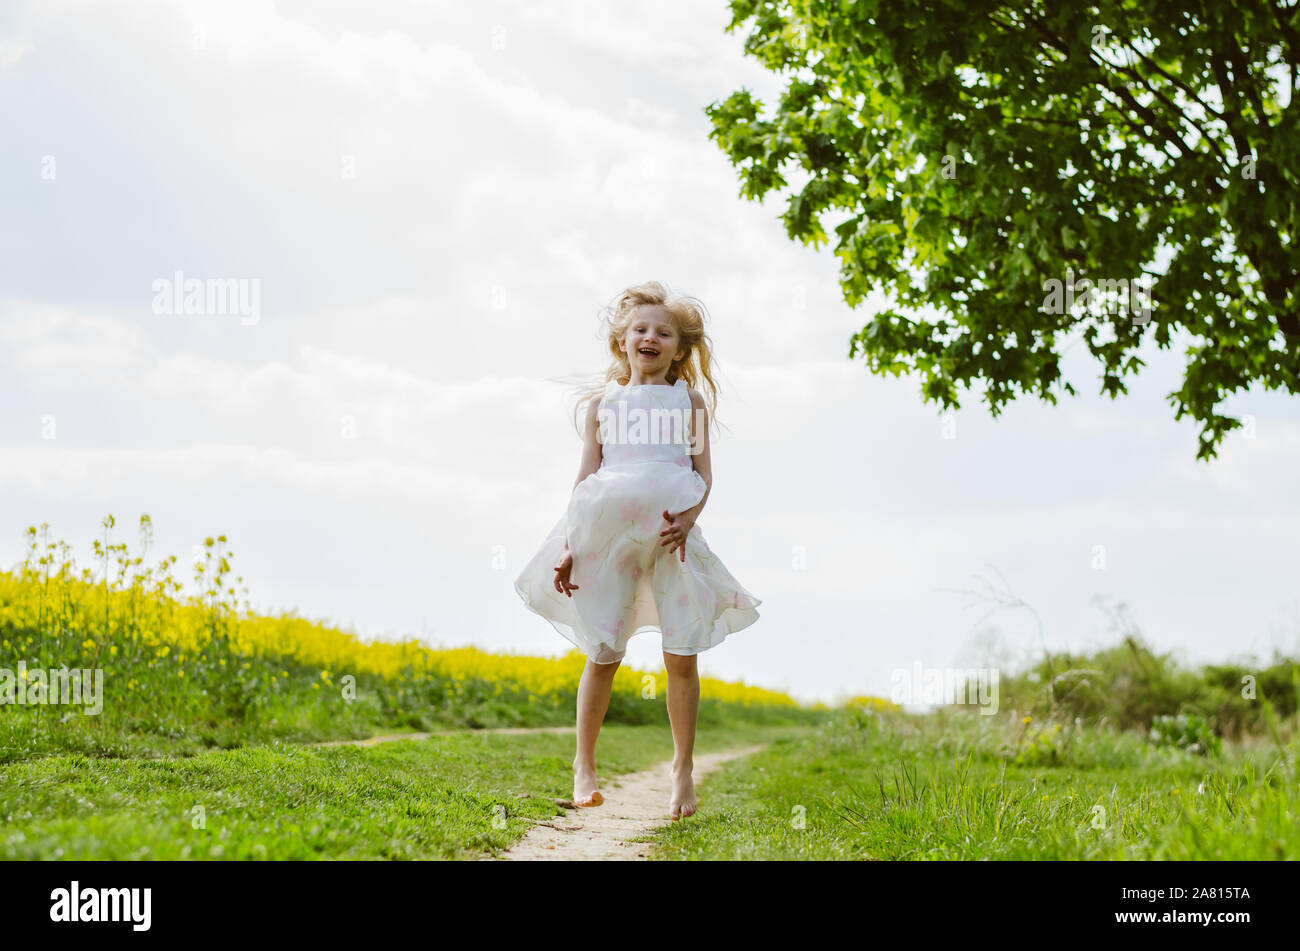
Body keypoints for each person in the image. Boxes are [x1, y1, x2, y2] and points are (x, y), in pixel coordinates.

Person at [514, 280, 760, 819]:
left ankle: (683, 770)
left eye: (664, 332)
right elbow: (585, 480)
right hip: (608, 540)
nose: (651, 337)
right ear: (622, 341)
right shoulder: (602, 404)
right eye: (641, 329)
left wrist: (690, 521)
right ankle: (584, 764)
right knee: (603, 652)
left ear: (679, 349)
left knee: (681, 653)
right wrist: (569, 546)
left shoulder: (686, 401)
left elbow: (702, 475)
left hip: (671, 538)